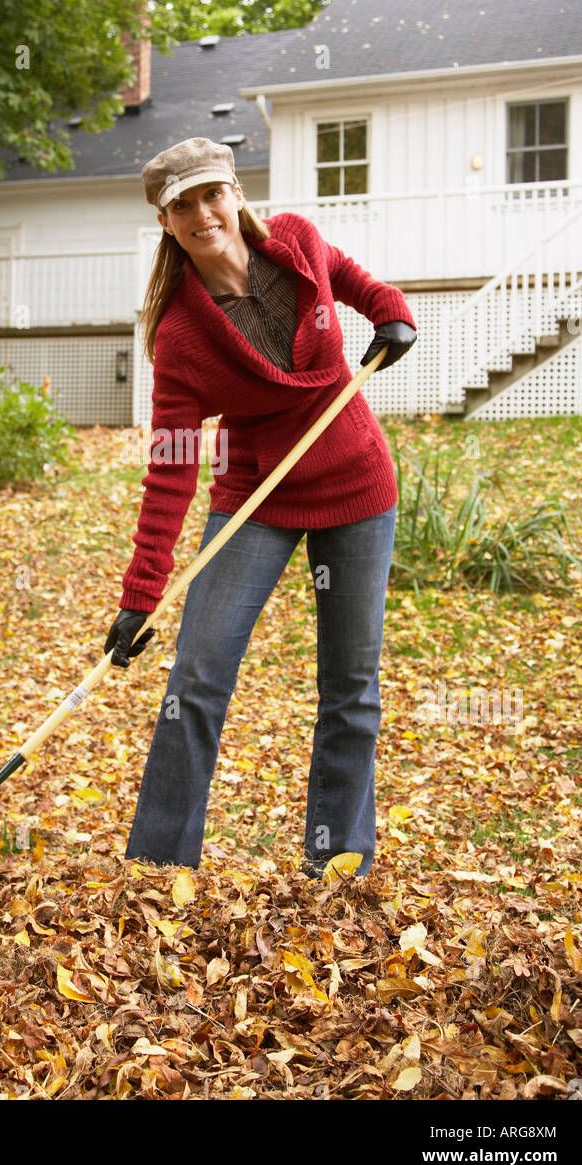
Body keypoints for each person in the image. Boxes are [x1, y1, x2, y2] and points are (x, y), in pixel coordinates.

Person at [104, 137, 416, 877]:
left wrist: (388, 310)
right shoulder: (181, 337)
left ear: (235, 193)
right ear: (167, 223)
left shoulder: (298, 242)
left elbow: (348, 277)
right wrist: (141, 596)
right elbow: (171, 468)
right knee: (198, 675)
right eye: (183, 205)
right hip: (257, 499)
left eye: (211, 194)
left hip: (357, 487)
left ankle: (337, 866)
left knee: (350, 686)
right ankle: (157, 870)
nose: (202, 213)